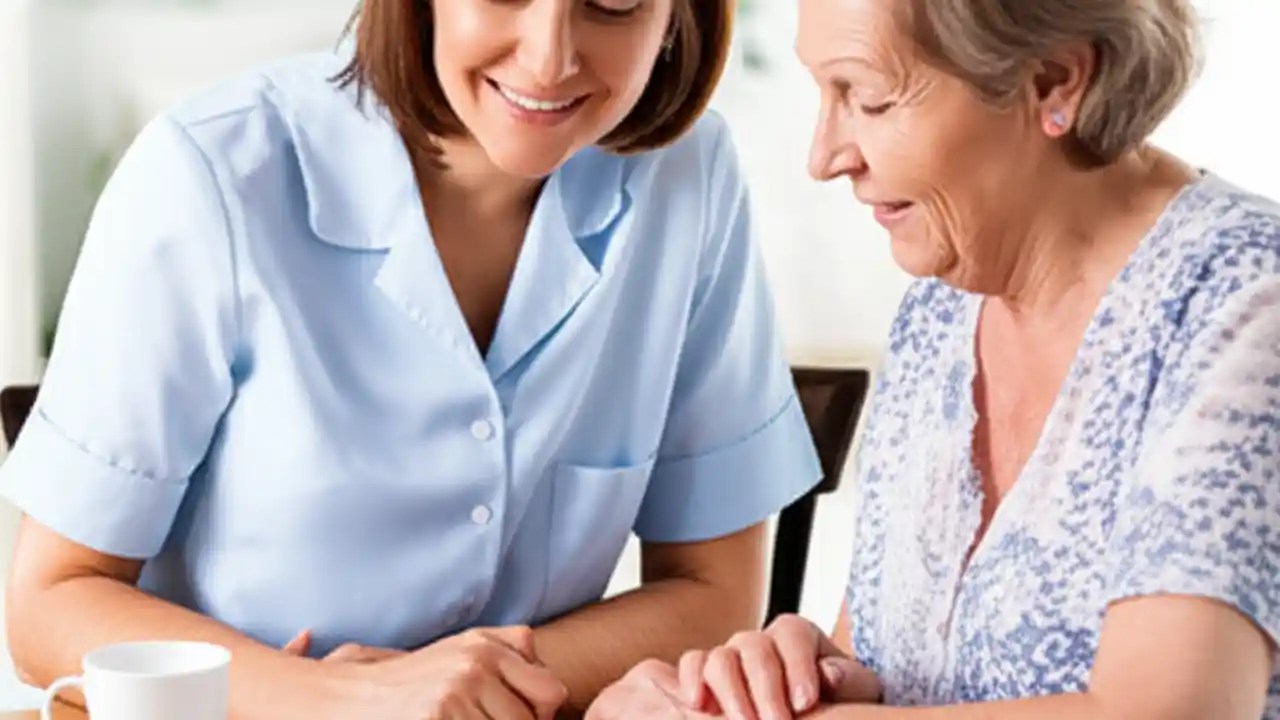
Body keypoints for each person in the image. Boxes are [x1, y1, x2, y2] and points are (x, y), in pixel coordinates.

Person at [0, 0, 823, 717]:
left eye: (612, 3)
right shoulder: (213, 172)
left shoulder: (688, 175)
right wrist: (339, 700)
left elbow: (716, 597)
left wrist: (457, 691)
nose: (550, 55)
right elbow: (49, 607)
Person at [589, 0, 1280, 717]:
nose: (825, 157)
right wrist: (800, 676)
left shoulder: (1242, 299)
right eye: (824, 95)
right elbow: (898, 681)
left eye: (870, 99)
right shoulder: (942, 311)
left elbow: (1168, 711)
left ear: (1055, 82)